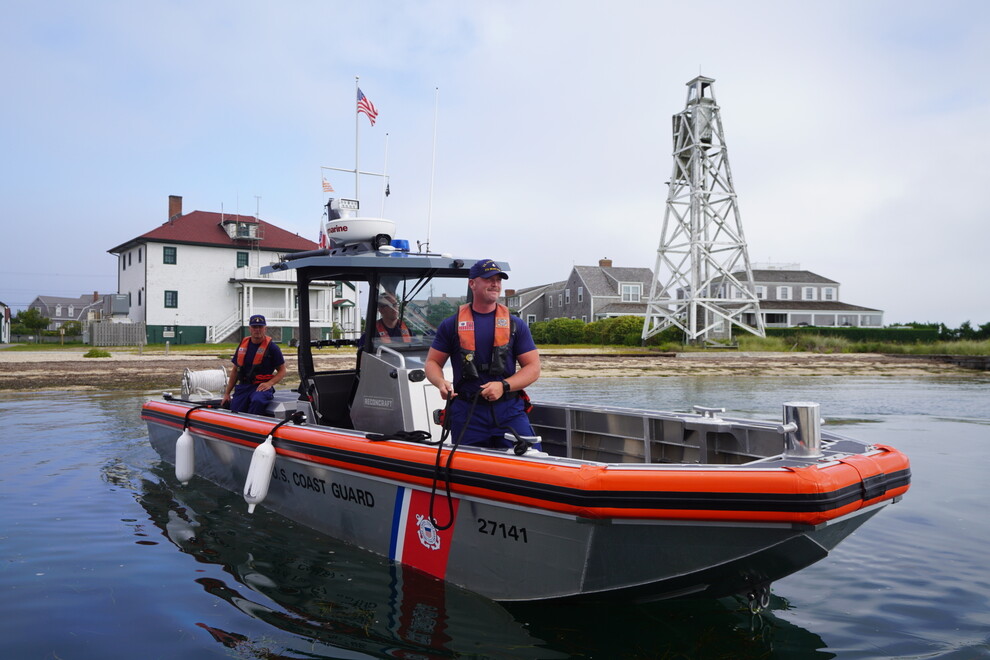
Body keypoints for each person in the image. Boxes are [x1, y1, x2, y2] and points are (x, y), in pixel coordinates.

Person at [425, 259, 541, 449]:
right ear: (472, 283)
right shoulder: (450, 325)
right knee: (465, 465)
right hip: (468, 413)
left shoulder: (516, 325)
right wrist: (440, 382)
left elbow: (533, 368)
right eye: (488, 279)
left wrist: (503, 386)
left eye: (498, 280)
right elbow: (432, 362)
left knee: (530, 458)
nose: (495, 284)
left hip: (509, 411)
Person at [221, 314, 287, 414]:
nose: (257, 330)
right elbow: (235, 370)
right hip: (244, 387)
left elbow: (282, 371)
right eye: (254, 327)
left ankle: (253, 421)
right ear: (250, 329)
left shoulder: (273, 348)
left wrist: (269, 383)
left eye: (260, 327)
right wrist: (227, 393)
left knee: (257, 401)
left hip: (261, 387)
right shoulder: (243, 346)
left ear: (265, 329)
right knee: (235, 410)